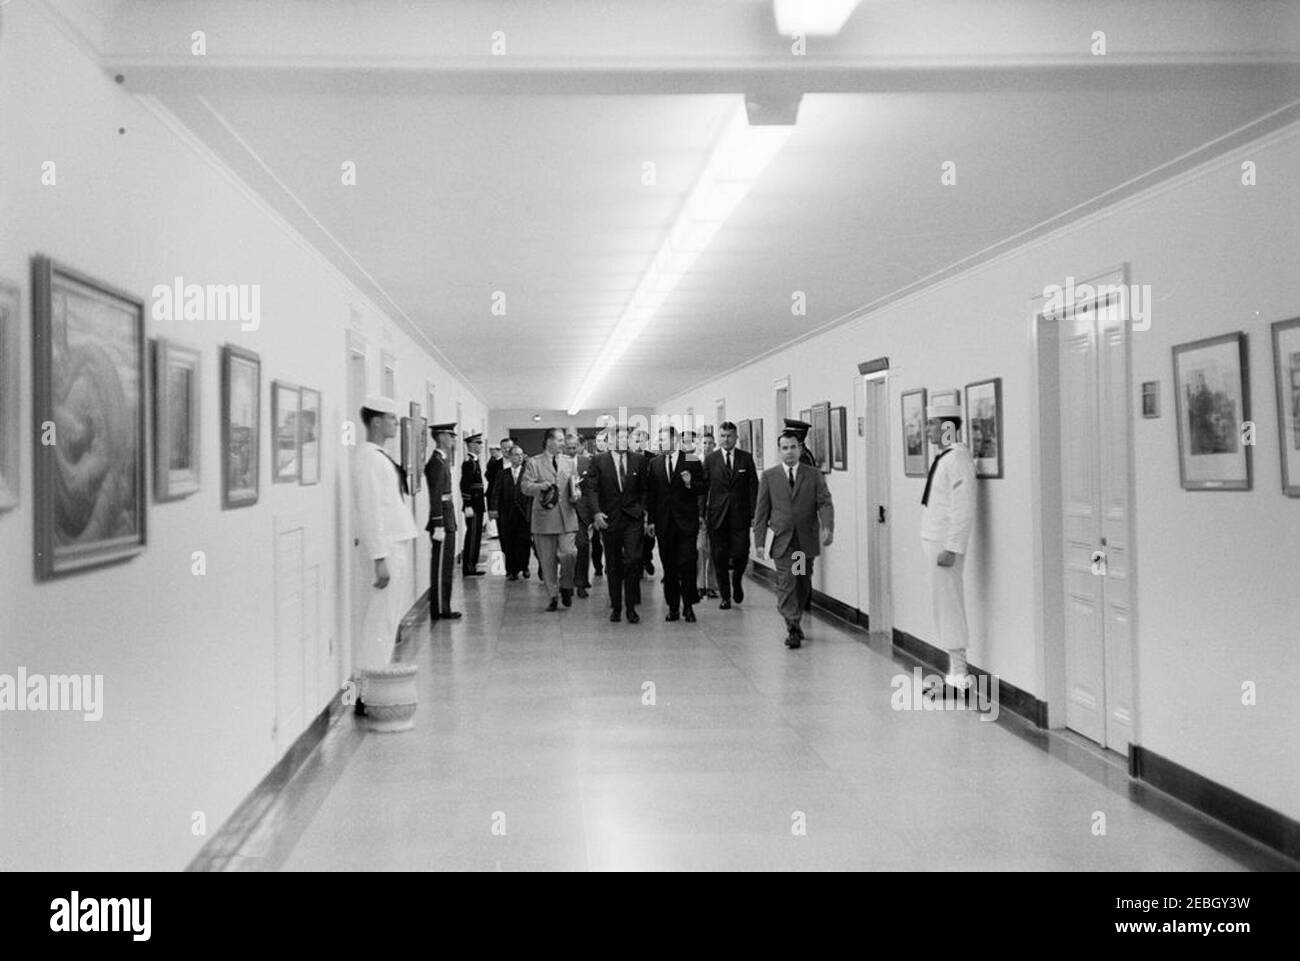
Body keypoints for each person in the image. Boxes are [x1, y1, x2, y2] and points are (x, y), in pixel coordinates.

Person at [353, 396, 420, 715]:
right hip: (387, 548)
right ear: (376, 421)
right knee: (380, 622)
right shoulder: (368, 458)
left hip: (394, 544)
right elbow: (370, 511)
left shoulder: (378, 457)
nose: (396, 424)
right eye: (391, 419)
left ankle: (368, 688)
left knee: (386, 620)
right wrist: (379, 558)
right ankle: (366, 692)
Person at [753, 429, 834, 648]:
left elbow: (824, 502)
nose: (789, 452)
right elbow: (761, 511)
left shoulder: (813, 474)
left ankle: (795, 617)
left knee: (800, 582)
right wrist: (759, 542)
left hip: (803, 542)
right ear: (779, 451)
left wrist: (827, 526)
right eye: (784, 448)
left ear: (800, 449)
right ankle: (793, 626)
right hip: (783, 541)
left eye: (793, 447)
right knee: (786, 582)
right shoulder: (770, 476)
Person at [920, 402, 977, 689]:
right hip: (935, 541)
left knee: (950, 606)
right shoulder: (946, 458)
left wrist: (952, 548)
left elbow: (963, 509)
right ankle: (954, 673)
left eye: (932, 424)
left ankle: (960, 673)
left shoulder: (958, 460)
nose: (928, 430)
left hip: (945, 546)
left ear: (946, 428)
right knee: (941, 606)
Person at [583, 424, 648, 624]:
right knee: (613, 563)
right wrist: (596, 513)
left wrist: (642, 510)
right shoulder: (598, 461)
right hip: (609, 518)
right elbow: (591, 489)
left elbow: (645, 489)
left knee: (632, 559)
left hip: (632, 518)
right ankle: (616, 606)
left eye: (625, 438)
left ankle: (630, 607)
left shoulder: (639, 460)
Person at [646, 426, 706, 623]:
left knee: (687, 563)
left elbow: (703, 487)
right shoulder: (654, 463)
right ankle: (672, 607)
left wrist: (690, 484)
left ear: (675, 441)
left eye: (663, 439)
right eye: (659, 440)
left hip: (687, 522)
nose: (660, 443)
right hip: (665, 524)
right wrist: (651, 520)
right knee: (669, 566)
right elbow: (652, 495)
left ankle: (688, 606)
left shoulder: (691, 459)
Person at [521, 427, 582, 611]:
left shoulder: (569, 462)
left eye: (563, 440)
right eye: (560, 440)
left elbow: (575, 485)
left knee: (569, 553)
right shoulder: (534, 462)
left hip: (567, 517)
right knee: (547, 561)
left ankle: (566, 585)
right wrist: (539, 486)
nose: (563, 443)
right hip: (544, 518)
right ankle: (553, 596)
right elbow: (525, 486)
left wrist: (577, 494)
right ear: (549, 441)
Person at [704, 421, 759, 610]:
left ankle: (736, 580)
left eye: (729, 436)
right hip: (717, 517)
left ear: (736, 437)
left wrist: (754, 513)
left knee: (741, 552)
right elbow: (704, 489)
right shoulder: (711, 460)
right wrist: (701, 513)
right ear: (719, 438)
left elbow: (753, 487)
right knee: (719, 557)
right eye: (723, 436)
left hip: (740, 515)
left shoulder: (746, 458)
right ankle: (725, 595)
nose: (726, 439)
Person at [424, 422, 462, 620]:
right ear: (440, 438)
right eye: (450, 436)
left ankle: (444, 606)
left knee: (446, 566)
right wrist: (438, 523)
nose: (453, 440)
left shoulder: (443, 460)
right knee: (440, 567)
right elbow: (436, 495)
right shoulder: (436, 463)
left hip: (447, 518)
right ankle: (439, 609)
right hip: (442, 521)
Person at [490, 445, 533, 579]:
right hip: (507, 513)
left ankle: (524, 566)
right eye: (516, 455)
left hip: (523, 513)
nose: (519, 457)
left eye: (521, 455)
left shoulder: (528, 473)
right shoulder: (502, 474)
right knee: (508, 541)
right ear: (510, 457)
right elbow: (496, 492)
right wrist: (494, 508)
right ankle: (511, 570)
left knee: (524, 541)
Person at [695, 433, 720, 598]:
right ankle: (699, 584)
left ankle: (712, 585)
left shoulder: (719, 462)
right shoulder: (693, 461)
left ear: (715, 444)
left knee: (713, 550)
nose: (708, 446)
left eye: (711, 443)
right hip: (699, 512)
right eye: (705, 443)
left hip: (716, 512)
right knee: (700, 549)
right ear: (700, 444)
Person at [460, 433, 487, 576]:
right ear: (471, 445)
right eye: (478, 443)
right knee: (472, 536)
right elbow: (464, 485)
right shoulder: (469, 463)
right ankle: (469, 567)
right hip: (473, 506)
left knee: (476, 536)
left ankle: (473, 565)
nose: (480, 446)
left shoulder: (475, 462)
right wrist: (467, 504)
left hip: (478, 505)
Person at [631, 428, 656, 576]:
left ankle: (647, 557)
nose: (639, 443)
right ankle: (638, 565)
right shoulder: (627, 458)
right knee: (634, 537)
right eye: (636, 440)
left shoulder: (652, 459)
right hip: (633, 503)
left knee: (649, 537)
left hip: (649, 502)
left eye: (642, 440)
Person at [589, 431, 609, 576]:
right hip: (596, 507)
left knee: (611, 542)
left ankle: (611, 564)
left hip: (610, 507)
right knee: (596, 542)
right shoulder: (592, 459)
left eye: (603, 440)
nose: (600, 443)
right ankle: (598, 567)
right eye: (598, 441)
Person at [484, 442, 506, 539]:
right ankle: (492, 532)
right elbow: (488, 475)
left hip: (499, 490)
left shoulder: (501, 462)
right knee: (492, 511)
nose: (492, 453)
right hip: (492, 490)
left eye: (493, 451)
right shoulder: (492, 462)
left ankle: (496, 531)